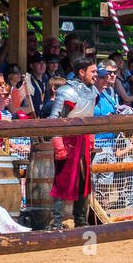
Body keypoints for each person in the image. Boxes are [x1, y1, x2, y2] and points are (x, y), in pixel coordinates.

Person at [51, 57, 98, 228]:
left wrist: (90, 138)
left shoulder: (93, 91)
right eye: (93, 71)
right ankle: (55, 223)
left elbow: (89, 117)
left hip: (83, 138)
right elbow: (55, 118)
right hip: (67, 138)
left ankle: (80, 220)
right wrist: (58, 145)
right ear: (81, 72)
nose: (96, 75)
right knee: (63, 180)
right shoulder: (68, 91)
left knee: (84, 180)